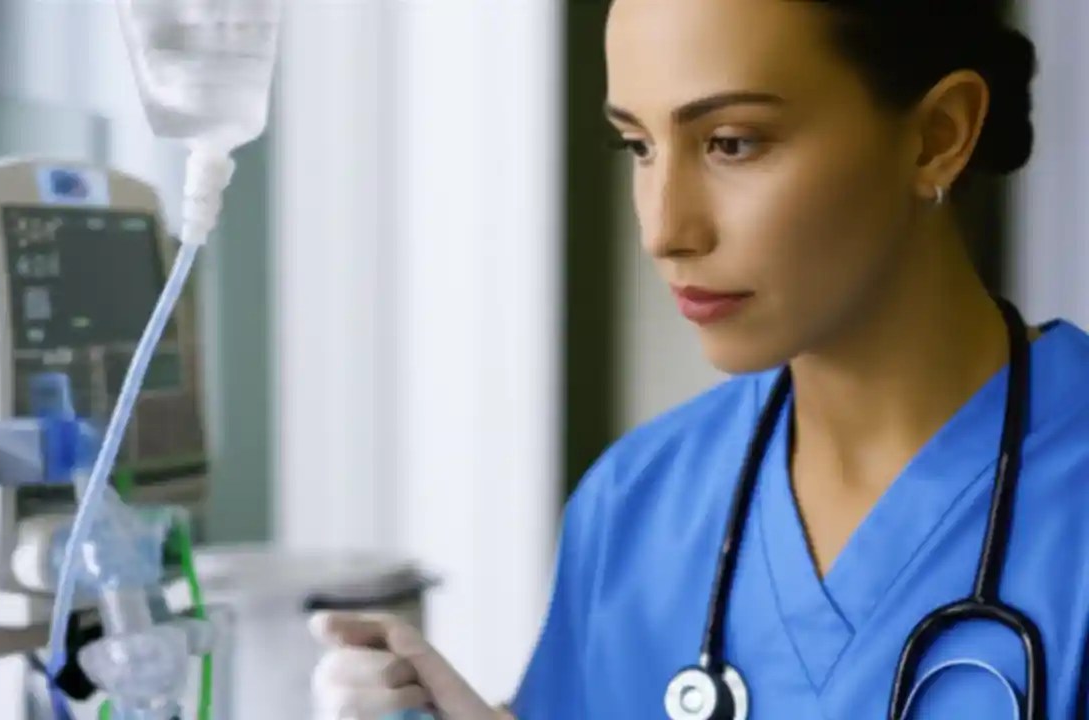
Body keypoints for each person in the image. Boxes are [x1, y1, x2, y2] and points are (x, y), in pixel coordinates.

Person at [310, 0, 1089, 717]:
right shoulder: (636, 505)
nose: (664, 230)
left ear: (937, 136)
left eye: (731, 143)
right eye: (639, 146)